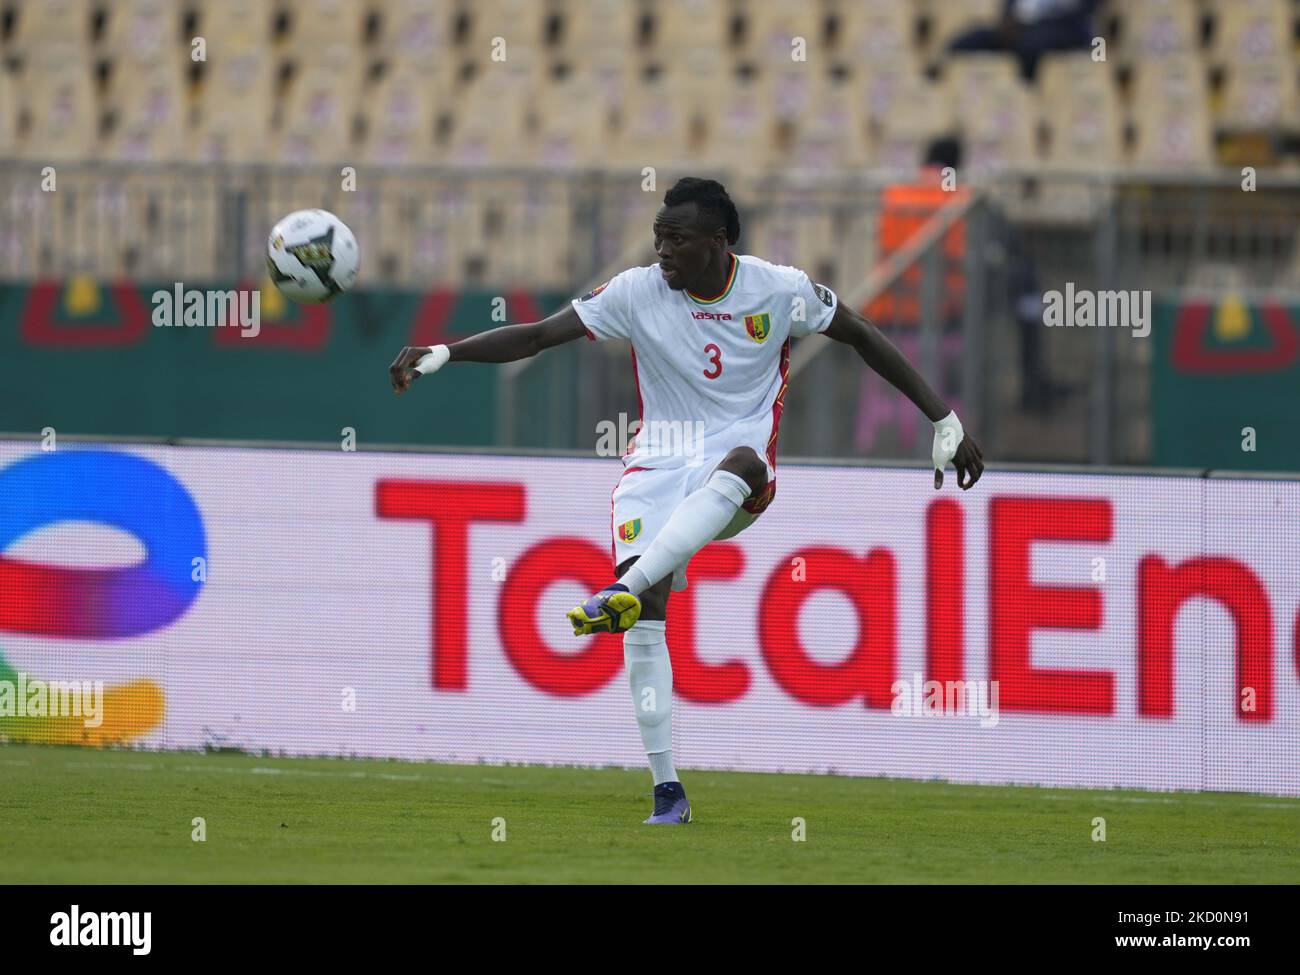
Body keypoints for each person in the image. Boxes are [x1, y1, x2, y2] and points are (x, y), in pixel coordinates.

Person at [389, 177, 985, 825]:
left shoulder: (777, 288)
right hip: (654, 471)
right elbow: (534, 337)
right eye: (658, 238)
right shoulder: (637, 291)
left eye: (676, 239)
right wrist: (444, 352)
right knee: (645, 623)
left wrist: (943, 419)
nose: (662, 251)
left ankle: (625, 586)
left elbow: (862, 333)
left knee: (737, 466)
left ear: (719, 241)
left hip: (736, 471)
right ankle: (667, 789)